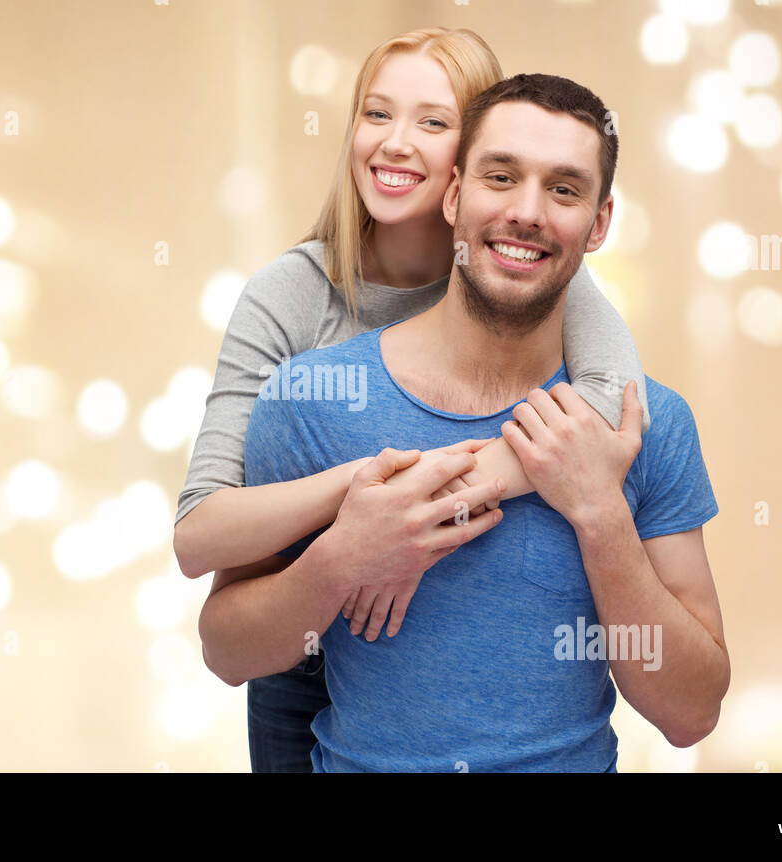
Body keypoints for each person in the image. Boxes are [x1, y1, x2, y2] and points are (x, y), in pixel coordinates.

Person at [199, 72, 730, 772]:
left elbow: (690, 713)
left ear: (599, 223)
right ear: (453, 196)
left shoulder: (645, 423)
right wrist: (340, 560)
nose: (528, 212)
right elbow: (227, 653)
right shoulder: (310, 400)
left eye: (565, 190)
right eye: (500, 177)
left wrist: (599, 512)